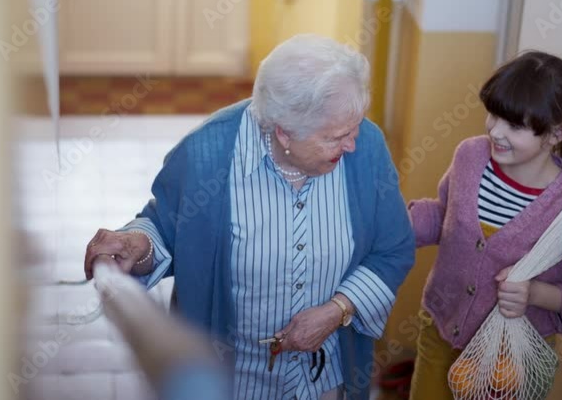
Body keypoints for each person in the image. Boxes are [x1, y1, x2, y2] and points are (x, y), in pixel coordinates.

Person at [84, 34, 415, 400]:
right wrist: (137, 244)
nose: (352, 144)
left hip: (324, 381)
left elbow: (393, 248)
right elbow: (165, 228)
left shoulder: (366, 147)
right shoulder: (206, 156)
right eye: (336, 137)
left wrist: (337, 310)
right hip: (231, 382)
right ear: (284, 133)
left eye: (355, 128)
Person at [407, 51, 562, 398]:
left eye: (514, 125)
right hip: (440, 330)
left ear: (556, 133)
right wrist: (394, 226)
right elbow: (444, 215)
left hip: (510, 362)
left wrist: (537, 294)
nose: (495, 131)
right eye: (493, 115)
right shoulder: (470, 156)